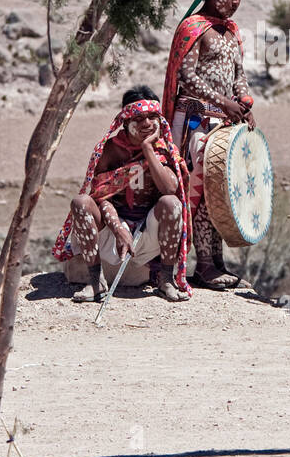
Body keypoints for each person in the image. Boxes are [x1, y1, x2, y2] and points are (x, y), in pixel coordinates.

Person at [52, 86, 191, 303]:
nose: (146, 123)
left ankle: (166, 280)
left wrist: (147, 149)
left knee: (172, 204)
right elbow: (99, 198)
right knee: (81, 202)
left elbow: (171, 190)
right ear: (125, 122)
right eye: (139, 118)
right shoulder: (109, 150)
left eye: (151, 117)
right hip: (112, 230)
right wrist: (117, 229)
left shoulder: (165, 150)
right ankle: (95, 280)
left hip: (148, 233)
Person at [162, 0, 253, 290]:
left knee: (221, 190)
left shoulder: (231, 31)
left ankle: (217, 261)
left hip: (226, 124)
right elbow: (187, 77)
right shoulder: (193, 28)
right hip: (195, 123)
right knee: (199, 190)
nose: (235, 1)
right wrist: (221, 102)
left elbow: (239, 72)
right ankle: (202, 265)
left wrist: (243, 100)